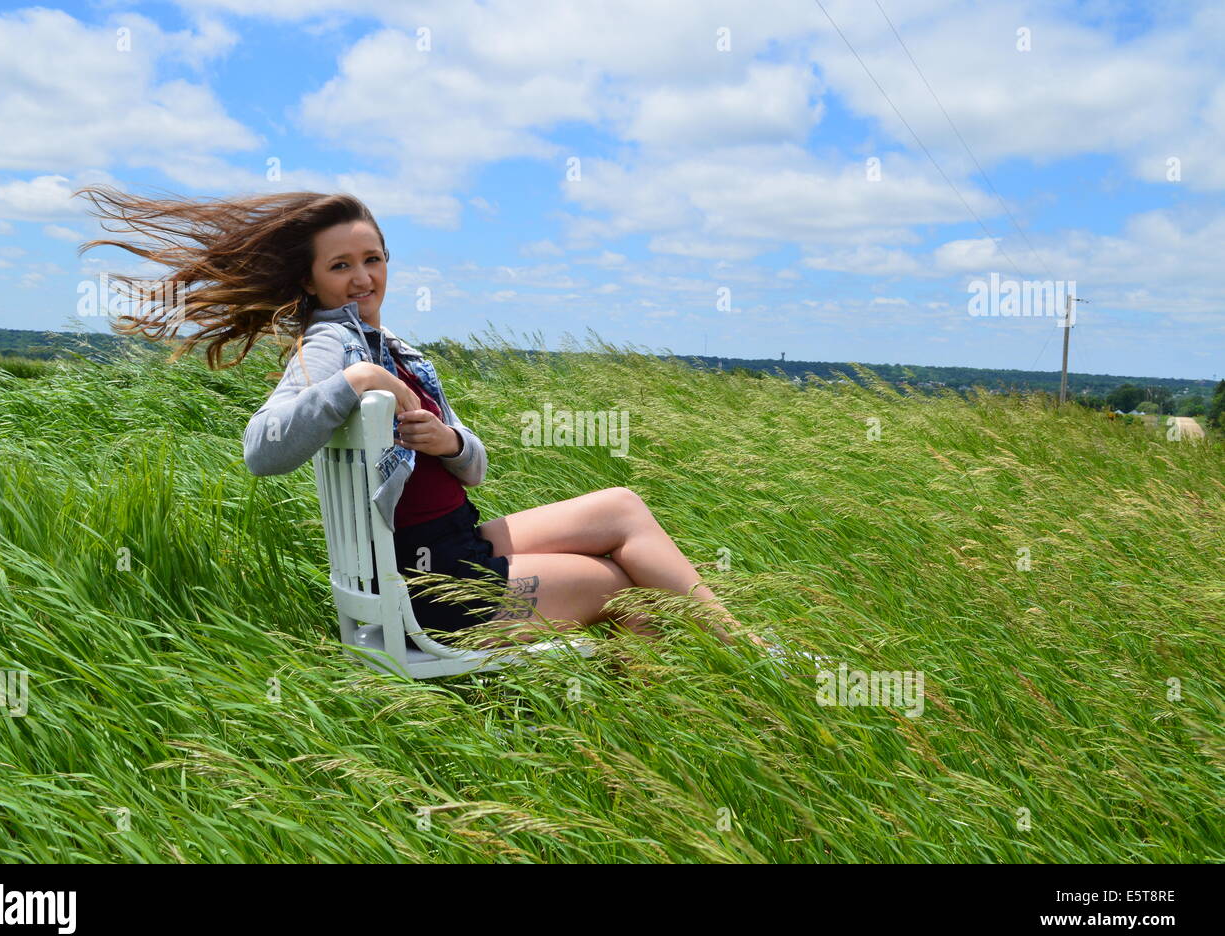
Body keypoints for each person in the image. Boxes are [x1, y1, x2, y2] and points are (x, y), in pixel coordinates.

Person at [73, 186, 773, 653]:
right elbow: (262, 450)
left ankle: (744, 651)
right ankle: (735, 675)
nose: (363, 277)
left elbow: (476, 466)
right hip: (429, 583)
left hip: (452, 542)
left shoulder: (397, 348)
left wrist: (449, 439)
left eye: (373, 259)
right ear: (312, 280)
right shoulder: (332, 347)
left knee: (620, 509)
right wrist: (358, 379)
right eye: (341, 265)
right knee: (617, 586)